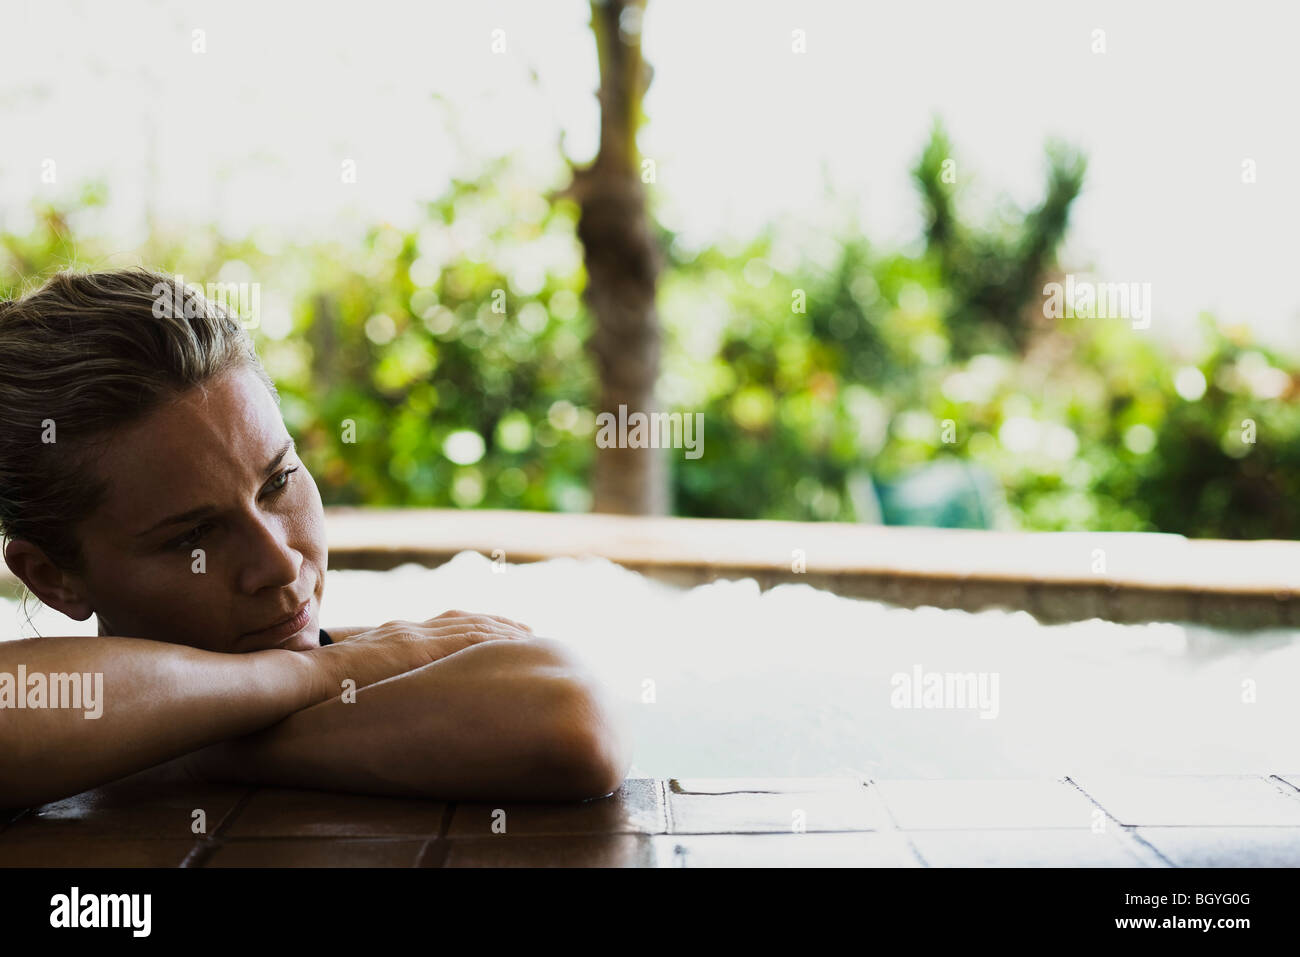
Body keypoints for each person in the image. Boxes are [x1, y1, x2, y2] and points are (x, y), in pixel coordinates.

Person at [0, 268, 630, 810]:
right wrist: (333, 673)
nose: (279, 562)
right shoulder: (358, 665)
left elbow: (571, 714)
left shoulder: (353, 660)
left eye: (278, 482)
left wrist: (187, 752)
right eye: (193, 535)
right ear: (52, 576)